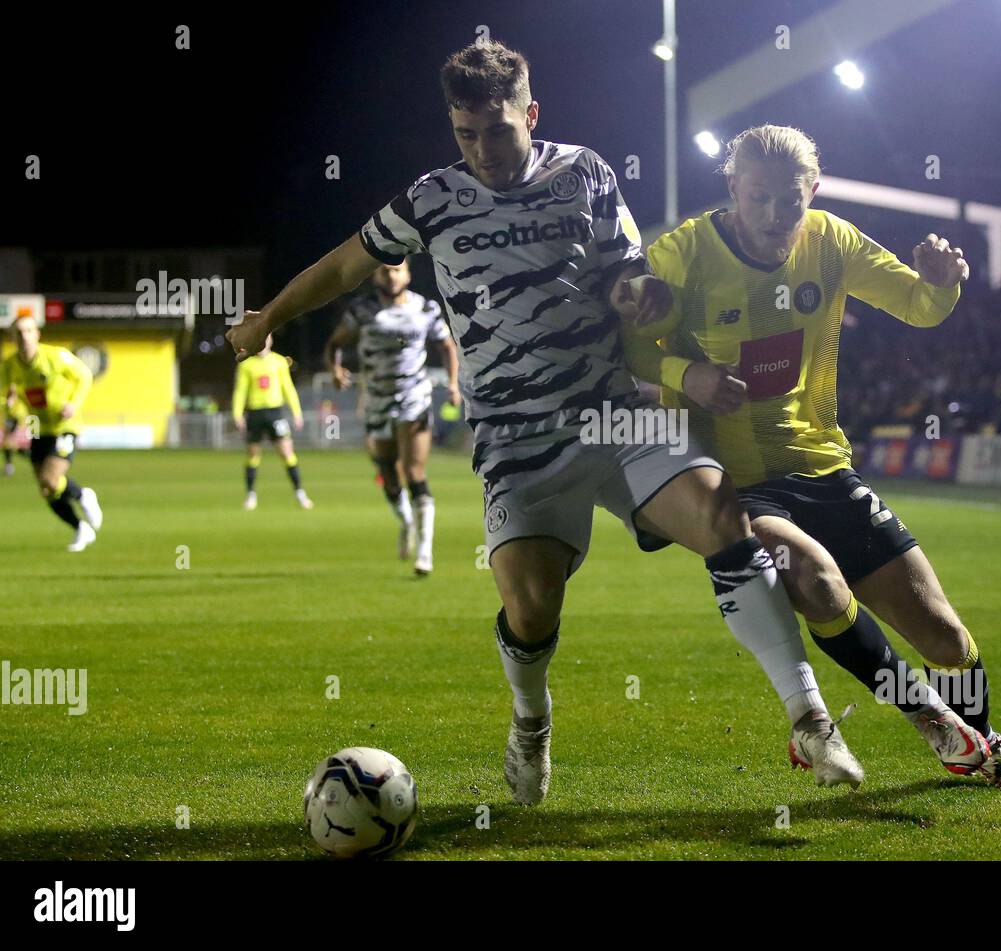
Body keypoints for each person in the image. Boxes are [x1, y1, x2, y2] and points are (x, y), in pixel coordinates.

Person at [228, 42, 861, 805]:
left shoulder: (585, 173)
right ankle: (531, 722)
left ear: (530, 113)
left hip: (615, 411)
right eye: (465, 133)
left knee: (726, 516)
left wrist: (642, 298)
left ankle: (811, 719)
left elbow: (629, 270)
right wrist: (269, 316)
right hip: (518, 438)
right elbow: (342, 266)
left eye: (497, 130)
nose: (483, 150)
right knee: (532, 607)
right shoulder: (432, 198)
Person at [621, 124, 1001, 790]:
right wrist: (686, 374)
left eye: (789, 200)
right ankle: (934, 726)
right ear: (733, 189)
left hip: (822, 466)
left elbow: (918, 305)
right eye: (757, 198)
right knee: (815, 579)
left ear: (810, 191)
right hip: (733, 486)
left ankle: (980, 744)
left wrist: (941, 286)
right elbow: (627, 341)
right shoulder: (686, 252)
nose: (773, 216)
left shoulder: (832, 240)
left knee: (944, 637)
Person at [324, 258, 461, 573]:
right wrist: (335, 369)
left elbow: (447, 346)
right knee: (387, 473)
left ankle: (425, 552)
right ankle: (406, 521)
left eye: (398, 269)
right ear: (375, 275)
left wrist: (453, 384)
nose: (392, 275)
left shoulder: (425, 309)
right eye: (385, 270)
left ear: (408, 273)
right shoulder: (361, 311)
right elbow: (334, 344)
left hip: (414, 398)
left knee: (414, 471)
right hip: (375, 400)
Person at [0, 315, 103, 551]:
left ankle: (83, 495)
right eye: (19, 332)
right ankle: (81, 528)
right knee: (46, 490)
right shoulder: (8, 366)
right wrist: (9, 403)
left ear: (37, 334)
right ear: (13, 337)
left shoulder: (56, 356)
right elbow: (5, 400)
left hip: (65, 426)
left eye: (28, 331)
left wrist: (74, 403)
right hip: (38, 428)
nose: (24, 336)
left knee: (50, 479)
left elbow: (84, 375)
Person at [232, 334, 313, 510]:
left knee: (287, 452)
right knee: (253, 454)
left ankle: (300, 493)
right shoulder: (247, 364)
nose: (262, 342)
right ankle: (250, 495)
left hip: (275, 412)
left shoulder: (279, 362)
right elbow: (240, 391)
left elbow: (288, 388)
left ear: (271, 340)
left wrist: (296, 412)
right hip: (255, 413)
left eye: (265, 337)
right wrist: (237, 413)